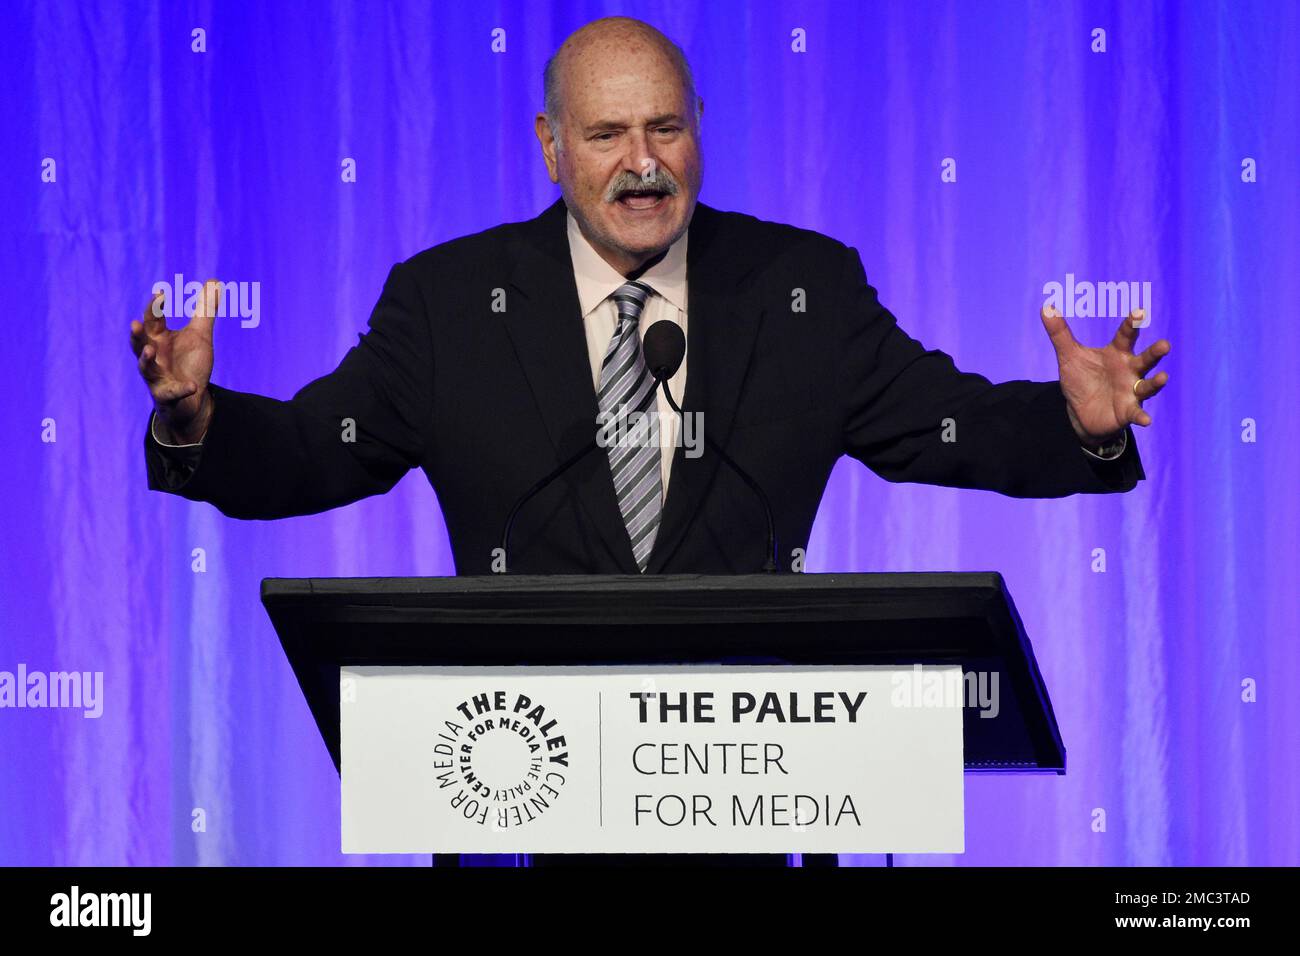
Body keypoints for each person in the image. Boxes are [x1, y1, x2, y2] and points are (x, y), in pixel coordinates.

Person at [129, 17, 1170, 864]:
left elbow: (944, 425)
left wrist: (1068, 423)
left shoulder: (799, 288)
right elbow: (319, 449)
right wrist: (195, 418)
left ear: (700, 131)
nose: (641, 165)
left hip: (755, 792)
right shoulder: (448, 303)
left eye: (665, 129)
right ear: (548, 146)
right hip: (515, 799)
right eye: (606, 135)